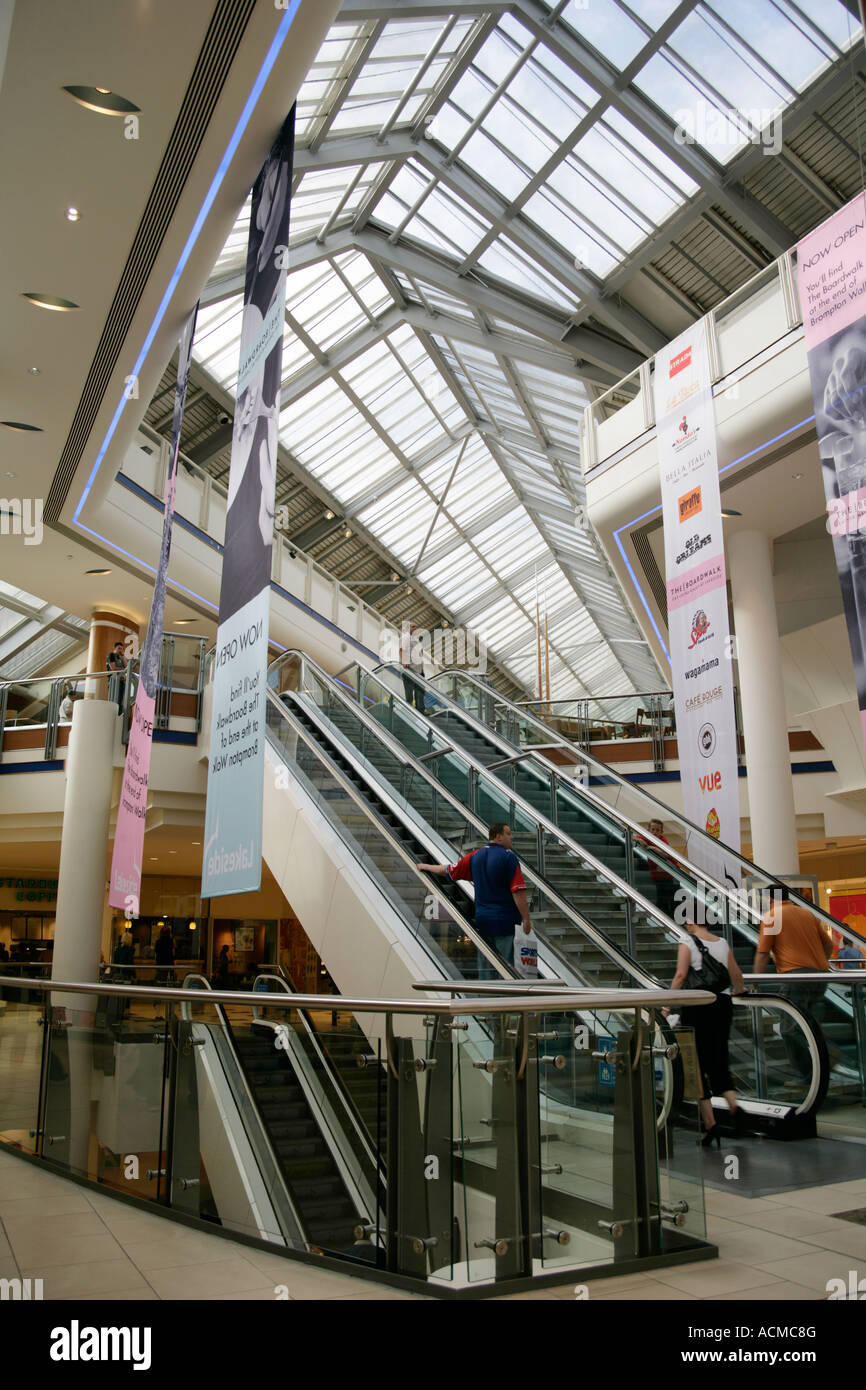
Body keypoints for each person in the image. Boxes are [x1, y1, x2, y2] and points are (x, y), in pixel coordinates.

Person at [665, 920, 746, 1145]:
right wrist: (740, 991)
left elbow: (681, 975)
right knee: (719, 1057)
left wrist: (667, 1005)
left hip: (697, 1005)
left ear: (690, 922)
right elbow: (736, 974)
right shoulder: (722, 942)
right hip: (722, 1004)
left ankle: (710, 1124)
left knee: (696, 1063)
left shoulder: (687, 941)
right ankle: (734, 1106)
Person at [418, 822, 532, 979]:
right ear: (498, 836)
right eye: (508, 833)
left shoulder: (475, 856)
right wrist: (526, 918)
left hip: (482, 920)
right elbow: (517, 891)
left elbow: (449, 870)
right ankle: (505, 999)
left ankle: (484, 998)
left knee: (485, 965)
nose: (511, 837)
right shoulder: (508, 858)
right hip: (504, 921)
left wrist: (427, 866)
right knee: (505, 967)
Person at [753, 886, 832, 1083]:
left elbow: (763, 954)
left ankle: (808, 1074)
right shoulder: (806, 913)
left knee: (789, 1029)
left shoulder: (772, 916)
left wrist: (756, 981)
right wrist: (820, 966)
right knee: (811, 1025)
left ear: (771, 899)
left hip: (794, 976)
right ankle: (823, 1066)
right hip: (819, 977)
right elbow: (829, 944)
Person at [645, 817, 676, 919]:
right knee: (661, 899)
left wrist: (654, 848)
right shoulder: (645, 837)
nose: (655, 832)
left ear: (661, 832)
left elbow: (666, 854)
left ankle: (671, 918)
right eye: (652, 829)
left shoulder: (663, 840)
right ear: (648, 830)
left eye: (657, 830)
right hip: (657, 876)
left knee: (671, 899)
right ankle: (663, 918)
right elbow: (637, 839)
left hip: (670, 874)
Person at [401, 621, 426, 712]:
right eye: (413, 627)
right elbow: (402, 650)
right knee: (409, 695)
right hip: (410, 670)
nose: (415, 628)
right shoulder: (405, 637)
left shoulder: (417, 640)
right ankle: (409, 712)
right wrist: (404, 661)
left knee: (420, 694)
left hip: (419, 672)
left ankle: (421, 713)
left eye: (416, 627)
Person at [106, 640, 127, 712]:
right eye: (119, 648)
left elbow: (126, 667)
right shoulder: (111, 655)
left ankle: (118, 713)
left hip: (121, 681)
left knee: (120, 700)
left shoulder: (120, 658)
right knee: (114, 699)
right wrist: (123, 669)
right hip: (114, 681)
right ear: (115, 649)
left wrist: (123, 656)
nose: (120, 650)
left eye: (121, 649)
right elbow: (113, 668)